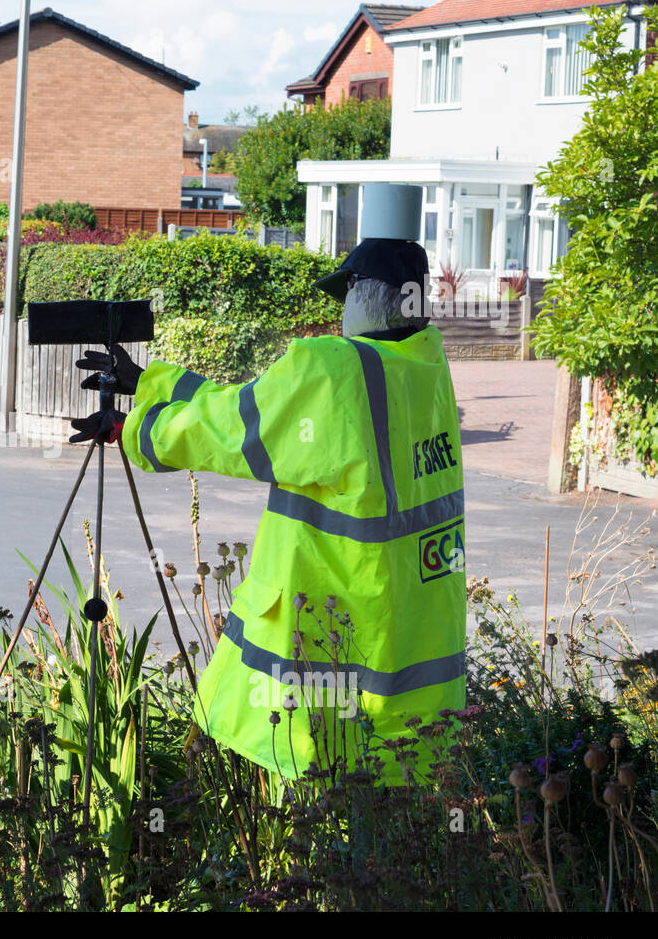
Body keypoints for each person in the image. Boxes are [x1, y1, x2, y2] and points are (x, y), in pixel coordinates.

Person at [69, 184, 466, 784]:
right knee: (391, 821)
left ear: (360, 295)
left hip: (333, 640)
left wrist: (134, 429)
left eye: (346, 295)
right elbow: (254, 410)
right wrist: (152, 382)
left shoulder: (337, 368)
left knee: (316, 811)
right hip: (410, 653)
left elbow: (233, 434)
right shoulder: (426, 367)